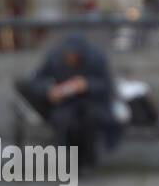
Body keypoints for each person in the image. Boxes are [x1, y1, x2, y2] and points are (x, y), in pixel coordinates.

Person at [24, 33, 119, 169]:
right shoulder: (54, 58)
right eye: (68, 55)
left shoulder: (96, 58)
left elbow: (106, 85)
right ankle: (72, 161)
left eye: (75, 55)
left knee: (90, 120)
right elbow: (36, 80)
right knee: (66, 121)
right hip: (64, 104)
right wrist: (49, 90)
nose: (71, 58)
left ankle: (86, 161)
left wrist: (86, 84)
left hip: (91, 102)